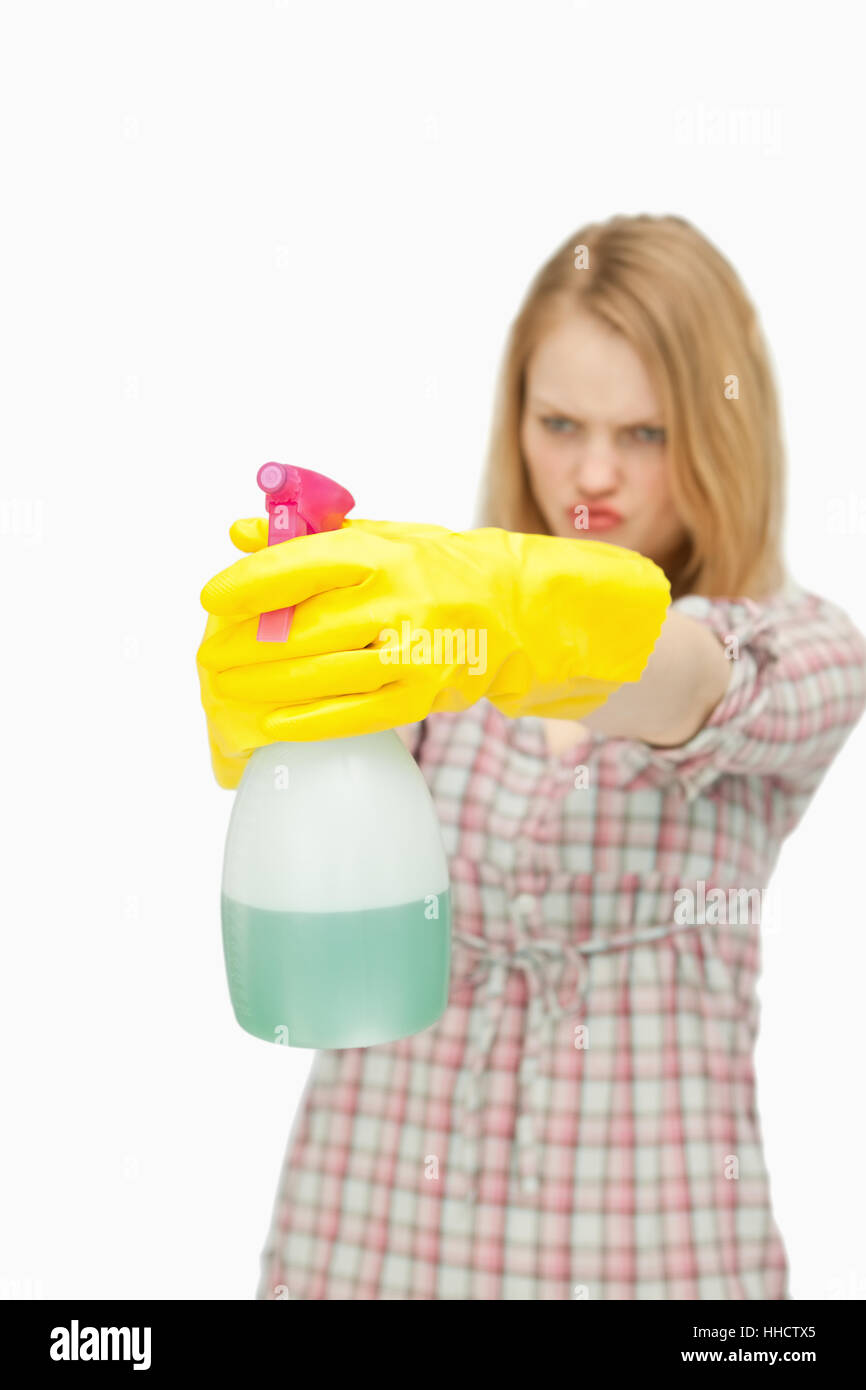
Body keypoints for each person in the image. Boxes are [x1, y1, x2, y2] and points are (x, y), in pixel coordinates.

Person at [197, 213, 866, 1299]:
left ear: (717, 434)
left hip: (655, 1256)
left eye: (644, 434)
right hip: (367, 1235)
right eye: (558, 422)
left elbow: (688, 680)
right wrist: (290, 668)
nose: (590, 474)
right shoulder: (426, 648)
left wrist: (512, 627)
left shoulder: (800, 648)